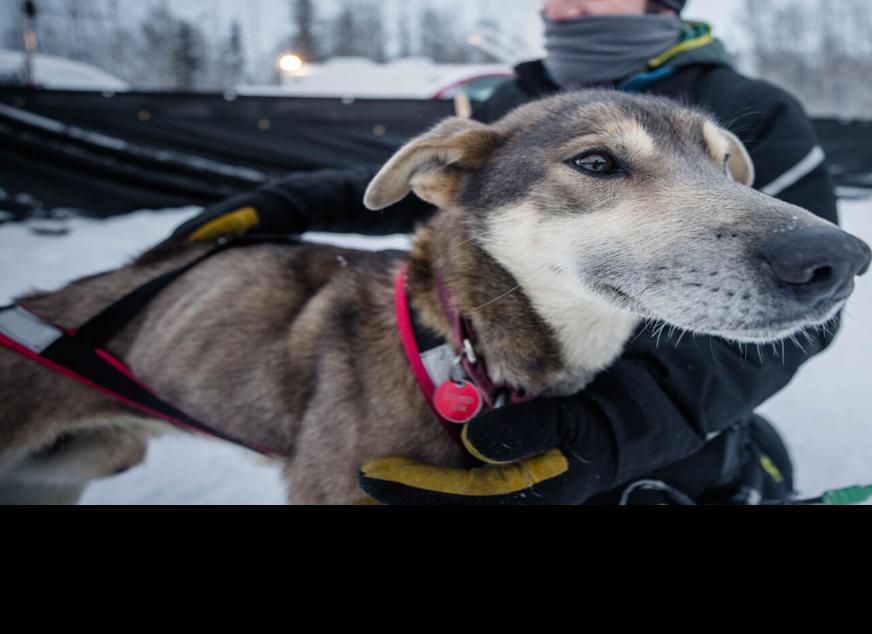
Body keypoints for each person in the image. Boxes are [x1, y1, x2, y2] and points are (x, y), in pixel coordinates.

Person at [155, 0, 837, 504]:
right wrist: (290, 204)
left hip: (661, 424)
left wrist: (613, 429)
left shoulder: (746, 106)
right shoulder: (516, 98)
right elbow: (455, 182)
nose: (564, 8)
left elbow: (803, 282)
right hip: (513, 375)